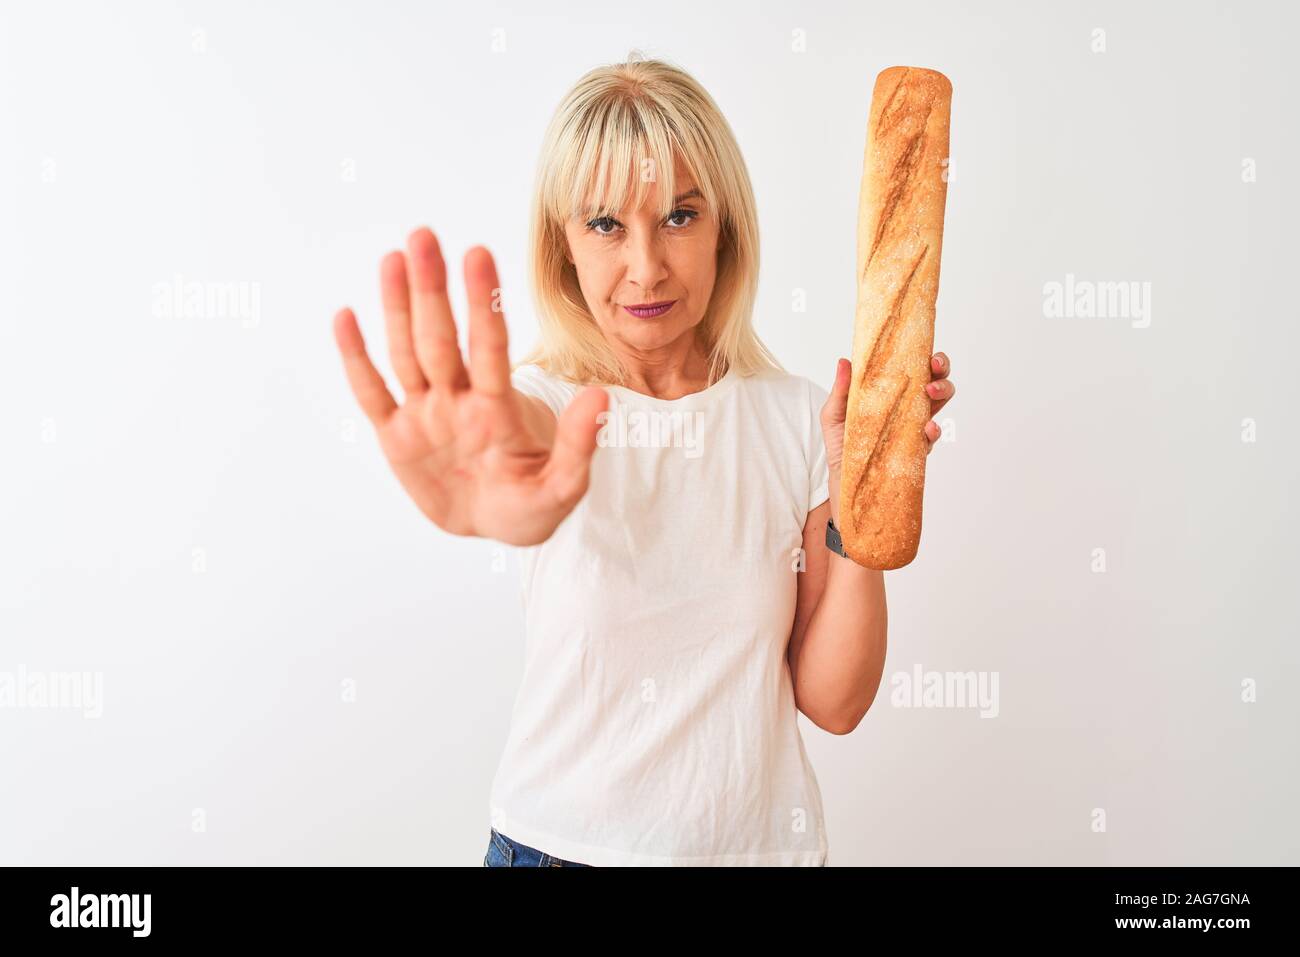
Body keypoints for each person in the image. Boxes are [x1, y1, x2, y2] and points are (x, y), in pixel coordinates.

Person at [332, 55, 956, 867]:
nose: (646, 266)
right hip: (556, 853)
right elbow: (518, 446)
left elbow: (833, 702)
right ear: (562, 243)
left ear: (724, 224)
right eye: (604, 225)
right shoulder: (550, 408)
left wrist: (861, 493)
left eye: (679, 217)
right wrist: (489, 476)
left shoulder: (801, 417)